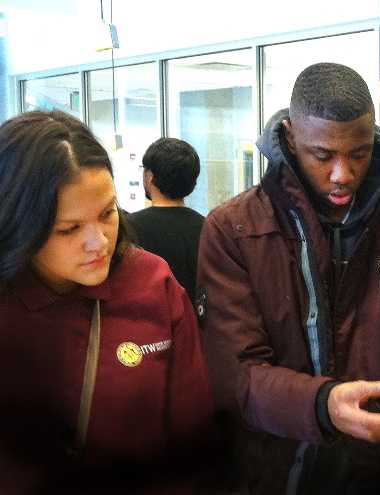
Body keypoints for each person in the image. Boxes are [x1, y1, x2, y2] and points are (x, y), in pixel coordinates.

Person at [195, 62, 380, 495]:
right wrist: (322, 405)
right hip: (270, 471)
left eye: (358, 153)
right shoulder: (234, 229)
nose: (342, 173)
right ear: (290, 137)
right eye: (322, 155)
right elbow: (235, 372)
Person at [0, 110, 218, 494]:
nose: (99, 241)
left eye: (107, 214)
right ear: (18, 224)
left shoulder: (152, 284)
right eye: (69, 229)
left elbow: (191, 440)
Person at [129, 137, 205, 303]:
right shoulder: (209, 228)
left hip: (151, 323)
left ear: (150, 176)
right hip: (199, 325)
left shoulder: (129, 228)